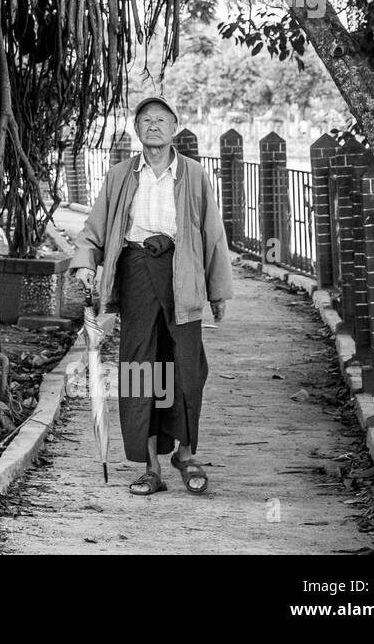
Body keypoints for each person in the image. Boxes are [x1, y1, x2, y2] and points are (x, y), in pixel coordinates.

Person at [70, 97, 234, 496]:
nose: (153, 126)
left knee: (186, 367)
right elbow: (95, 228)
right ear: (137, 130)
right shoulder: (120, 176)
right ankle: (151, 466)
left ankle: (186, 452)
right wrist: (85, 263)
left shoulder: (194, 175)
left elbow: (213, 233)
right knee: (141, 367)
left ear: (175, 128)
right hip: (136, 269)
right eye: (146, 120)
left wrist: (218, 290)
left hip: (183, 274)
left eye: (161, 120)